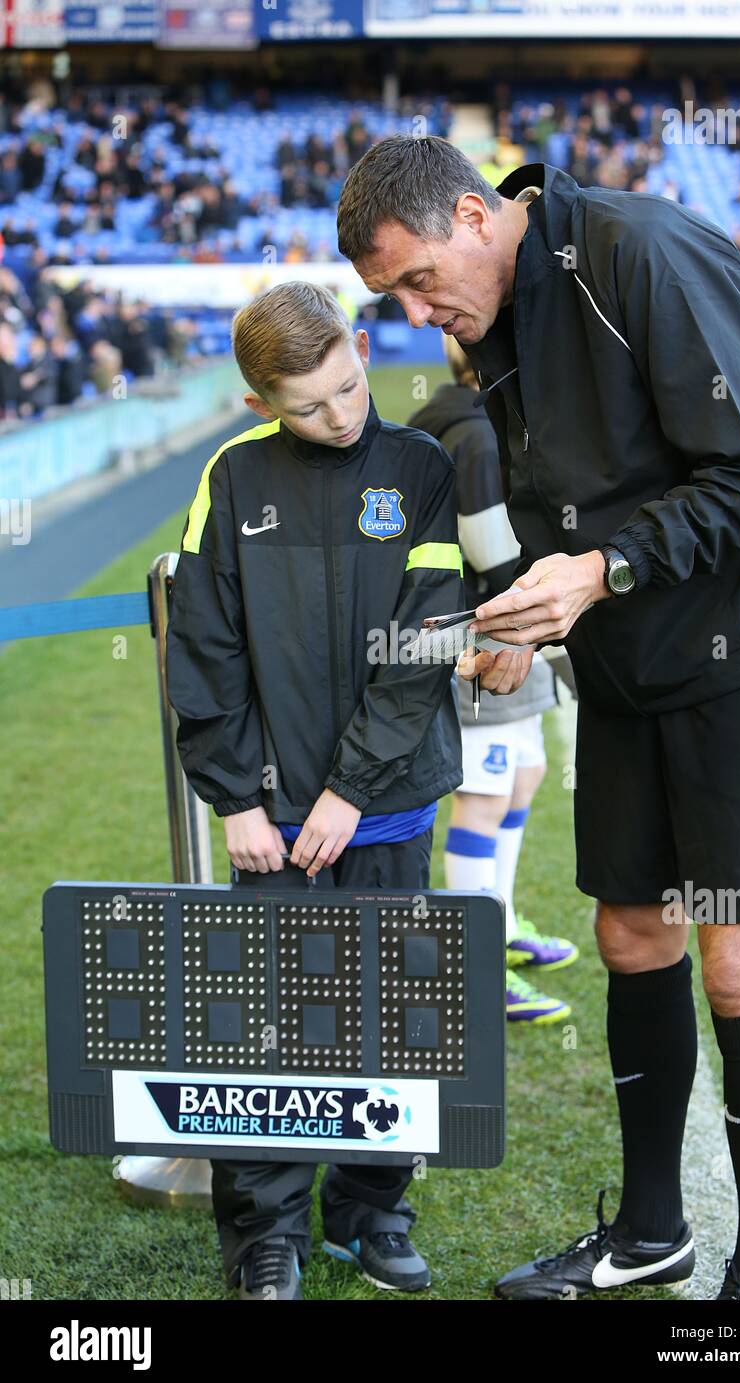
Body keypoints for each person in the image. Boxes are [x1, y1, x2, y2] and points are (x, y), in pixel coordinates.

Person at [336, 135, 740, 1302]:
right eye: (391, 299)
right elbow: (548, 495)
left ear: (473, 215)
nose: (416, 314)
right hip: (620, 656)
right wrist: (508, 607)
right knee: (629, 937)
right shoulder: (492, 315)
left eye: (416, 281)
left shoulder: (641, 255)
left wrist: (599, 571)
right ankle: (651, 1229)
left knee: (735, 958)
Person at [166, 280, 464, 1300]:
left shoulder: (421, 469)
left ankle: (372, 1208)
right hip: (272, 819)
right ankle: (267, 1230)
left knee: (388, 1009)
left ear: (362, 348)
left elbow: (427, 644)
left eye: (348, 385)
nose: (340, 414)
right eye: (309, 404)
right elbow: (203, 651)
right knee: (276, 1019)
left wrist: (350, 788)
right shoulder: (232, 479)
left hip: (382, 806)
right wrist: (239, 799)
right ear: (260, 406)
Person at [408, 331, 578, 1025]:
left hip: (506, 625)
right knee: (483, 792)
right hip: (482, 633)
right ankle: (476, 968)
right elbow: (488, 547)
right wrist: (543, 619)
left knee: (523, 772)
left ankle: (499, 926)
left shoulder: (469, 416)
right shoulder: (474, 431)